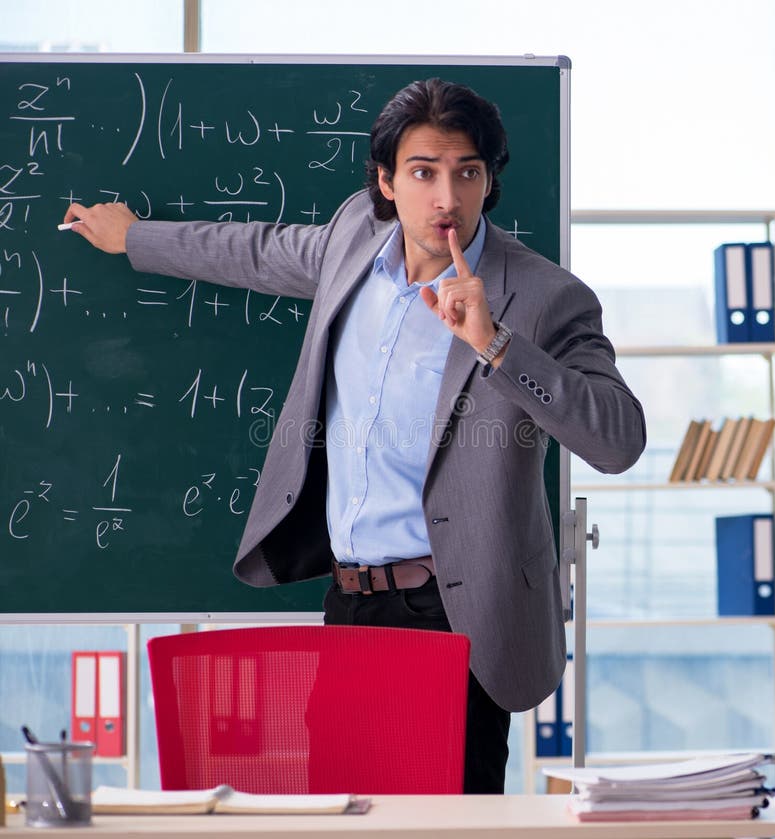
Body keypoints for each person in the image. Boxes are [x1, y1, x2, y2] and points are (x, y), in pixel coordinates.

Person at [64, 78, 646, 794]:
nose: (447, 197)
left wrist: (496, 344)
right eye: (423, 172)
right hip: (348, 602)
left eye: (467, 172)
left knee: (442, 825)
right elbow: (254, 249)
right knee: (344, 813)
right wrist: (134, 239)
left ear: (489, 180)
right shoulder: (352, 237)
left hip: (453, 611)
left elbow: (617, 439)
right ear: (385, 180)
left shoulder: (546, 295)